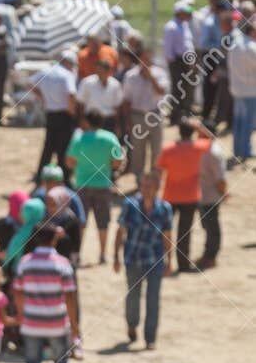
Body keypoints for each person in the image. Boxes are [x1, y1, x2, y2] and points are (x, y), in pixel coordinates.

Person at [12, 224, 78, 363]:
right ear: (54, 239)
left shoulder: (25, 262)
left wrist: (22, 313)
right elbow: (70, 297)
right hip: (57, 322)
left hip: (32, 322)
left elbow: (17, 290)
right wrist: (74, 324)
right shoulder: (62, 263)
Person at [114, 170, 173, 346]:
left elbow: (167, 235)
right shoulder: (130, 205)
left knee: (153, 299)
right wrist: (115, 256)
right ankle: (132, 325)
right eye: (143, 185)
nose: (145, 189)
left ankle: (150, 338)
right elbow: (120, 231)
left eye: (149, 186)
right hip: (133, 259)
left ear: (157, 188)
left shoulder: (164, 208)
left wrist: (170, 260)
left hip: (154, 259)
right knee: (133, 296)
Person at [65, 109, 125, 263]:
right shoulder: (110, 138)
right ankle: (103, 254)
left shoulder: (79, 138)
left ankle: (77, 253)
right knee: (103, 222)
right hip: (102, 185)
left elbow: (69, 161)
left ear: (86, 121)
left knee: (80, 222)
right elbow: (118, 162)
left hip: (81, 185)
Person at [157, 118, 210, 275]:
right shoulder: (199, 148)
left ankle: (165, 263)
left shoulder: (168, 149)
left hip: (170, 196)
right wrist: (200, 126)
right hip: (191, 196)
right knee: (184, 232)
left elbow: (158, 171)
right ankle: (183, 264)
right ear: (192, 132)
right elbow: (211, 139)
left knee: (165, 230)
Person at [121, 44, 169, 180]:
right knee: (138, 150)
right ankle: (139, 179)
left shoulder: (159, 73)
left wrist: (151, 77)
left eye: (148, 58)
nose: (146, 60)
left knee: (156, 149)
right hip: (137, 116)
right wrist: (128, 121)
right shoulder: (130, 76)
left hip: (155, 115)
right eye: (143, 58)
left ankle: (154, 178)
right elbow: (126, 100)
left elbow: (161, 91)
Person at [32, 49, 78, 175]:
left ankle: (41, 173)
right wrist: (73, 112)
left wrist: (43, 98)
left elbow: (30, 83)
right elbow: (71, 94)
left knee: (48, 146)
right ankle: (64, 174)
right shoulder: (67, 75)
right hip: (65, 115)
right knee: (63, 147)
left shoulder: (47, 71)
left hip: (50, 113)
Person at [226, 11, 256, 162]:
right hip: (250, 91)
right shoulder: (252, 47)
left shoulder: (234, 45)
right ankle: (245, 151)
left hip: (237, 89)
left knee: (238, 122)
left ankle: (238, 149)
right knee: (248, 123)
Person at [162, 0, 197, 123]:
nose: (187, 14)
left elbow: (188, 43)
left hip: (185, 60)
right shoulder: (171, 27)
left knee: (186, 87)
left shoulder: (184, 25)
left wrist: (191, 60)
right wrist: (172, 62)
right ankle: (175, 115)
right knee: (177, 88)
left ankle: (184, 112)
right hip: (177, 61)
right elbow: (168, 47)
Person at [197, 123, 227, 269]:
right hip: (202, 195)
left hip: (210, 197)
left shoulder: (214, 153)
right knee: (207, 225)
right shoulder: (201, 148)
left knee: (212, 227)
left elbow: (220, 179)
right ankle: (208, 254)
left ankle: (211, 257)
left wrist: (223, 193)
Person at [77, 54, 123, 133]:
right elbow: (81, 103)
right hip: (91, 121)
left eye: (103, 71)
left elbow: (117, 107)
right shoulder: (87, 82)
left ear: (109, 71)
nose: (100, 73)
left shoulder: (115, 85)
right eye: (98, 70)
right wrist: (82, 120)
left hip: (109, 121)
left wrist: (117, 125)